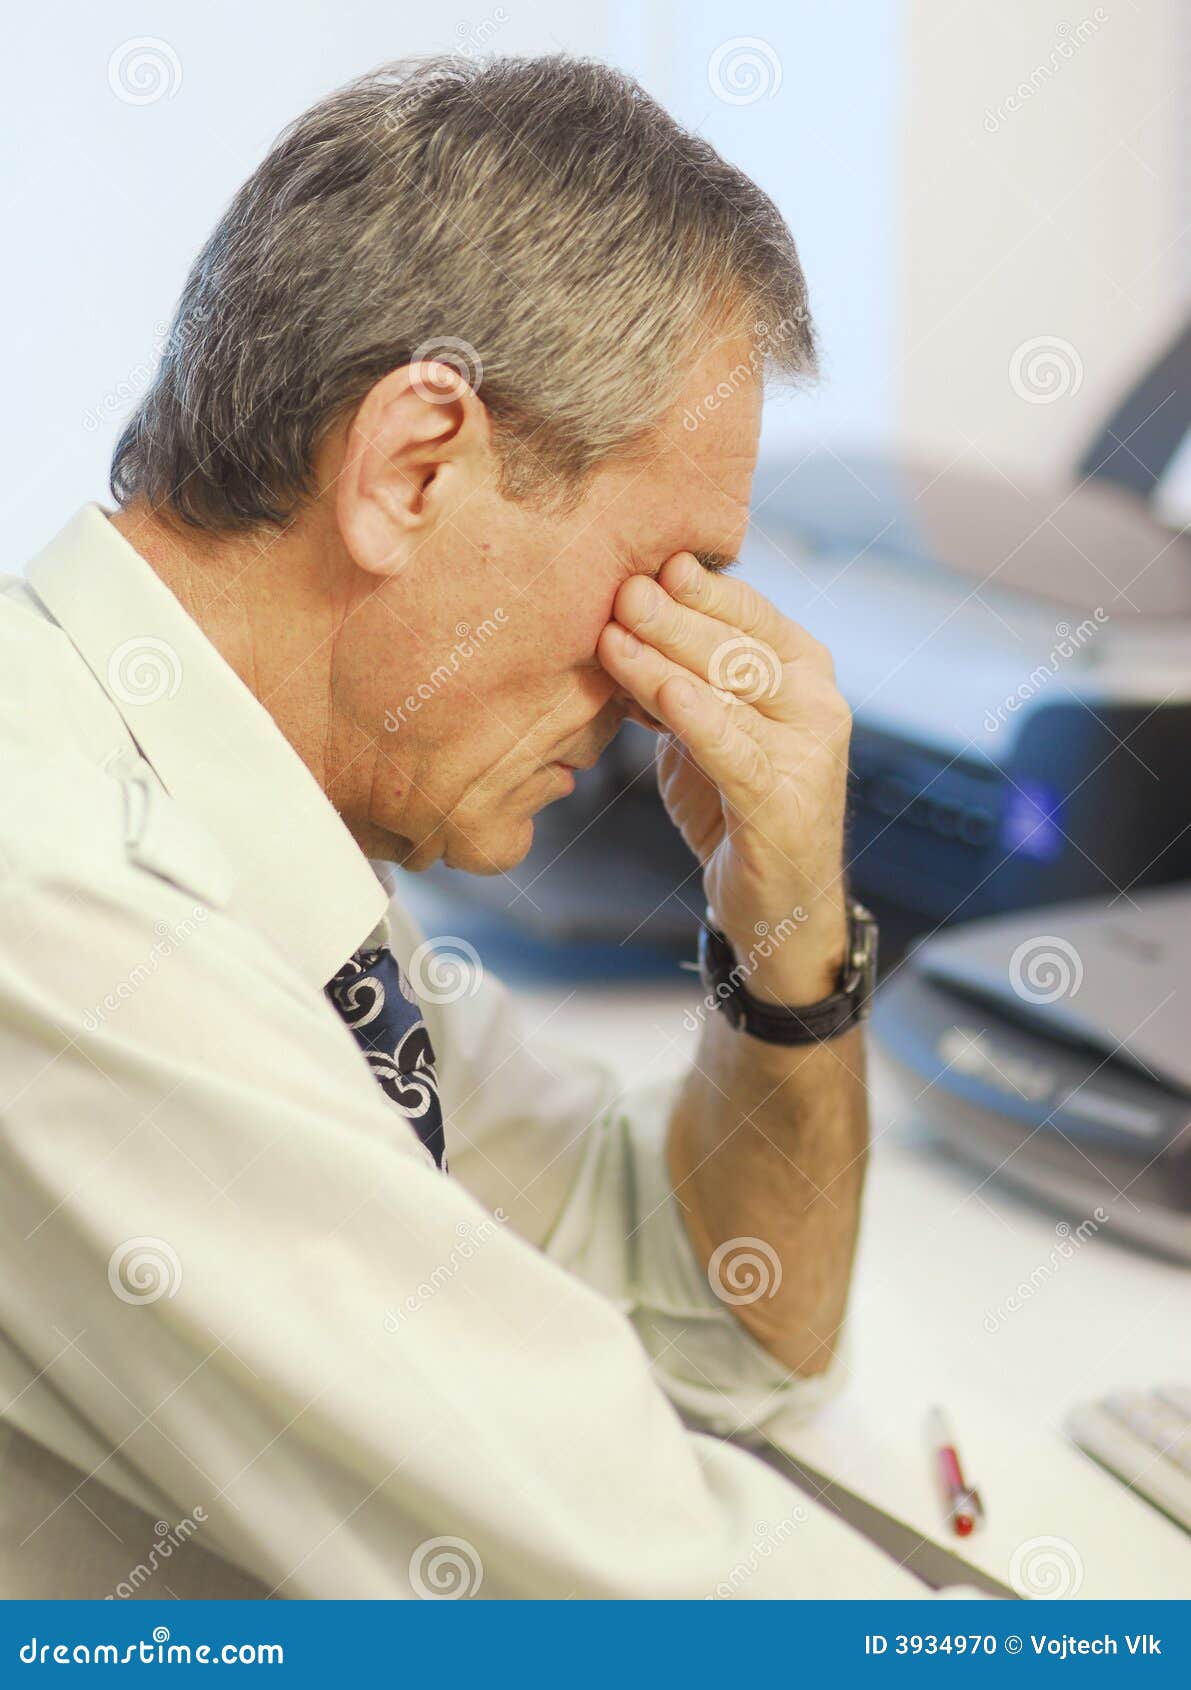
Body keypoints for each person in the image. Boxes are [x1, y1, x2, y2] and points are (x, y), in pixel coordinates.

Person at [0, 54, 929, 1600]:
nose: (664, 690)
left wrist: (788, 930)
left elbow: (719, 1329)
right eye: (665, 575)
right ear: (414, 466)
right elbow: (653, 1597)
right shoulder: (64, 900)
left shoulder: (272, 851)